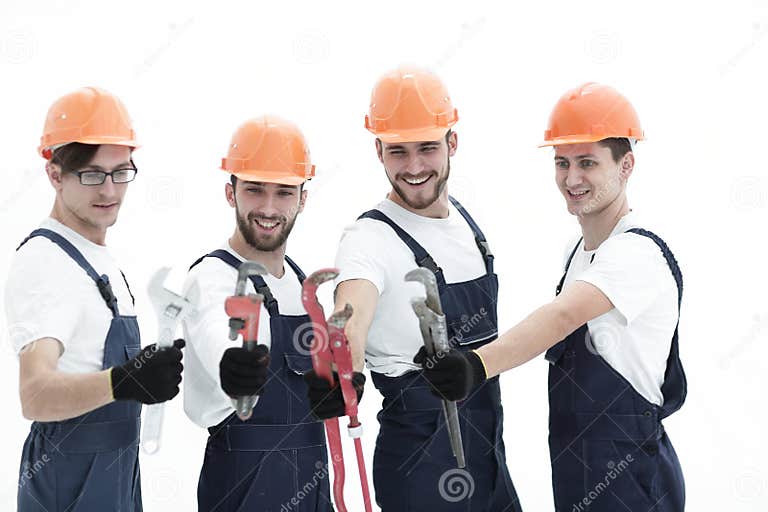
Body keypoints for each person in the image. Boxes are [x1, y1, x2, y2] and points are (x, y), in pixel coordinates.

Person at [416, 82, 686, 511]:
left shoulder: (636, 254)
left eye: (587, 163)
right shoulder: (579, 254)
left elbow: (562, 317)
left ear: (626, 165)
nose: (571, 178)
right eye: (562, 162)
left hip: (630, 479)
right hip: (579, 472)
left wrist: (477, 365)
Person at [304, 66, 523, 511]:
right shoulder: (370, 238)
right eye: (398, 152)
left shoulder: (467, 224)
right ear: (379, 151)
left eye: (427, 147)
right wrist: (340, 361)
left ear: (452, 143)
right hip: (421, 471)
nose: (414, 166)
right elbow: (351, 309)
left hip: (490, 457)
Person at [5, 86, 185, 511]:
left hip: (117, 469)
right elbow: (35, 394)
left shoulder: (99, 256)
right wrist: (124, 381)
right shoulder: (46, 262)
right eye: (92, 174)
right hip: (69, 477)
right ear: (54, 174)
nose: (110, 190)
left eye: (121, 171)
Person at [182, 115, 332, 511]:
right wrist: (231, 363)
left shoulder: (306, 288)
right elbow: (217, 327)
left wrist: (345, 387)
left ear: (303, 197)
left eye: (284, 192)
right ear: (231, 192)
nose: (268, 208)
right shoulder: (212, 277)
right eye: (254, 190)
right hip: (242, 489)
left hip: (315, 489)